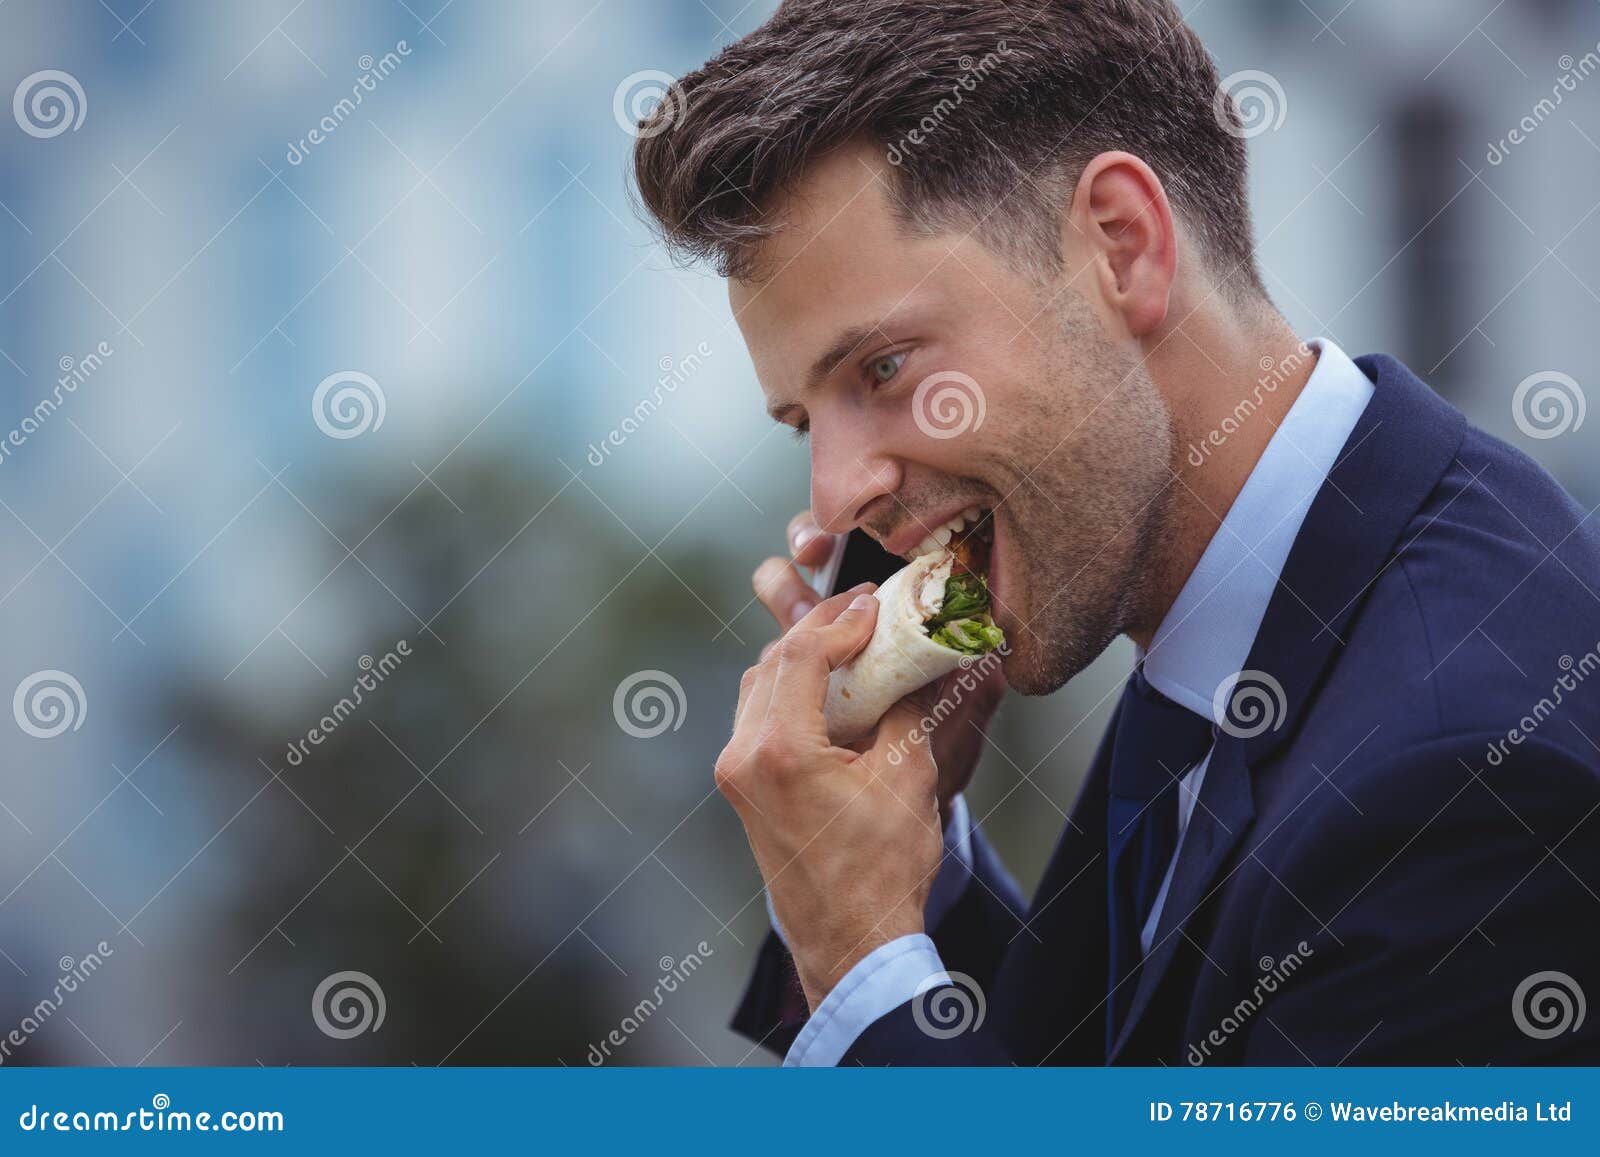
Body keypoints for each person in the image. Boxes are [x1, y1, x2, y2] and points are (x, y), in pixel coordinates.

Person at [631, 0, 1600, 1064]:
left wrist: (862, 970)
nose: (833, 500)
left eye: (884, 368)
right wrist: (905, 868)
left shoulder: (1453, 788)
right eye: (803, 420)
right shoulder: (1225, 619)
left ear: (1121, 247)